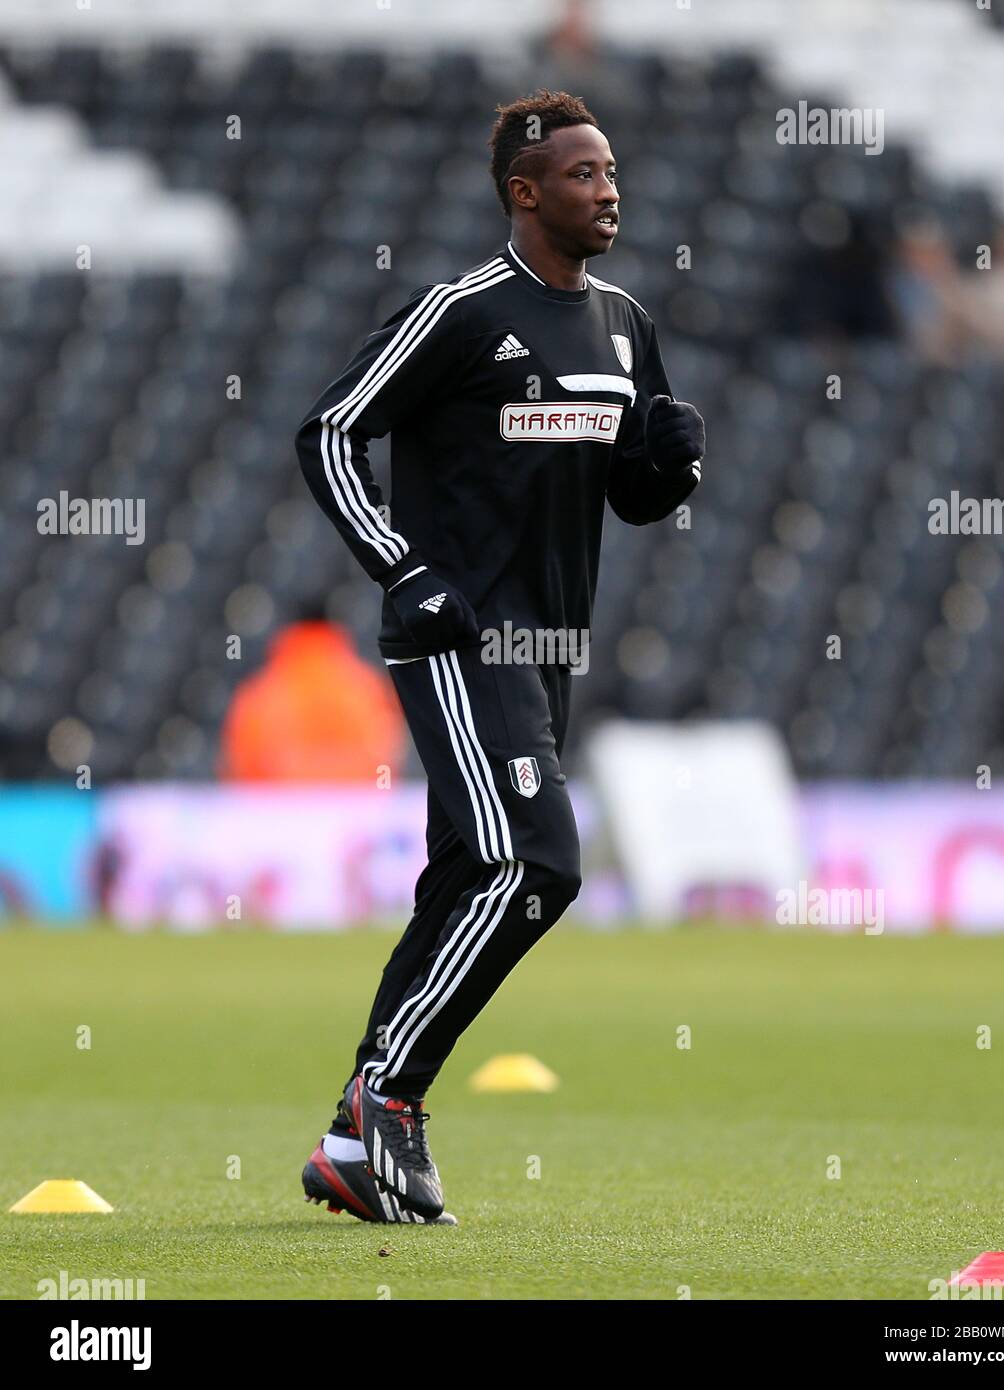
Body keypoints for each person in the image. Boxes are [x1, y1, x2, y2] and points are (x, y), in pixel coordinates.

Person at [294, 89, 705, 1225]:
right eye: (581, 174)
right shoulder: (459, 312)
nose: (607, 189)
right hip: (459, 638)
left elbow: (626, 491)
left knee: (469, 878)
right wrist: (400, 567)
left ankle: (352, 1140)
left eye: (611, 170)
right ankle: (387, 1098)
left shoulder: (625, 324)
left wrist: (667, 468)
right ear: (524, 193)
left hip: (550, 647)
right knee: (536, 867)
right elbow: (328, 430)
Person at [218, 607, 403, 782]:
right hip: (356, 811)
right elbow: (388, 759)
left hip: (278, 811)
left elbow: (240, 769)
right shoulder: (370, 689)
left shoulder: (258, 692)